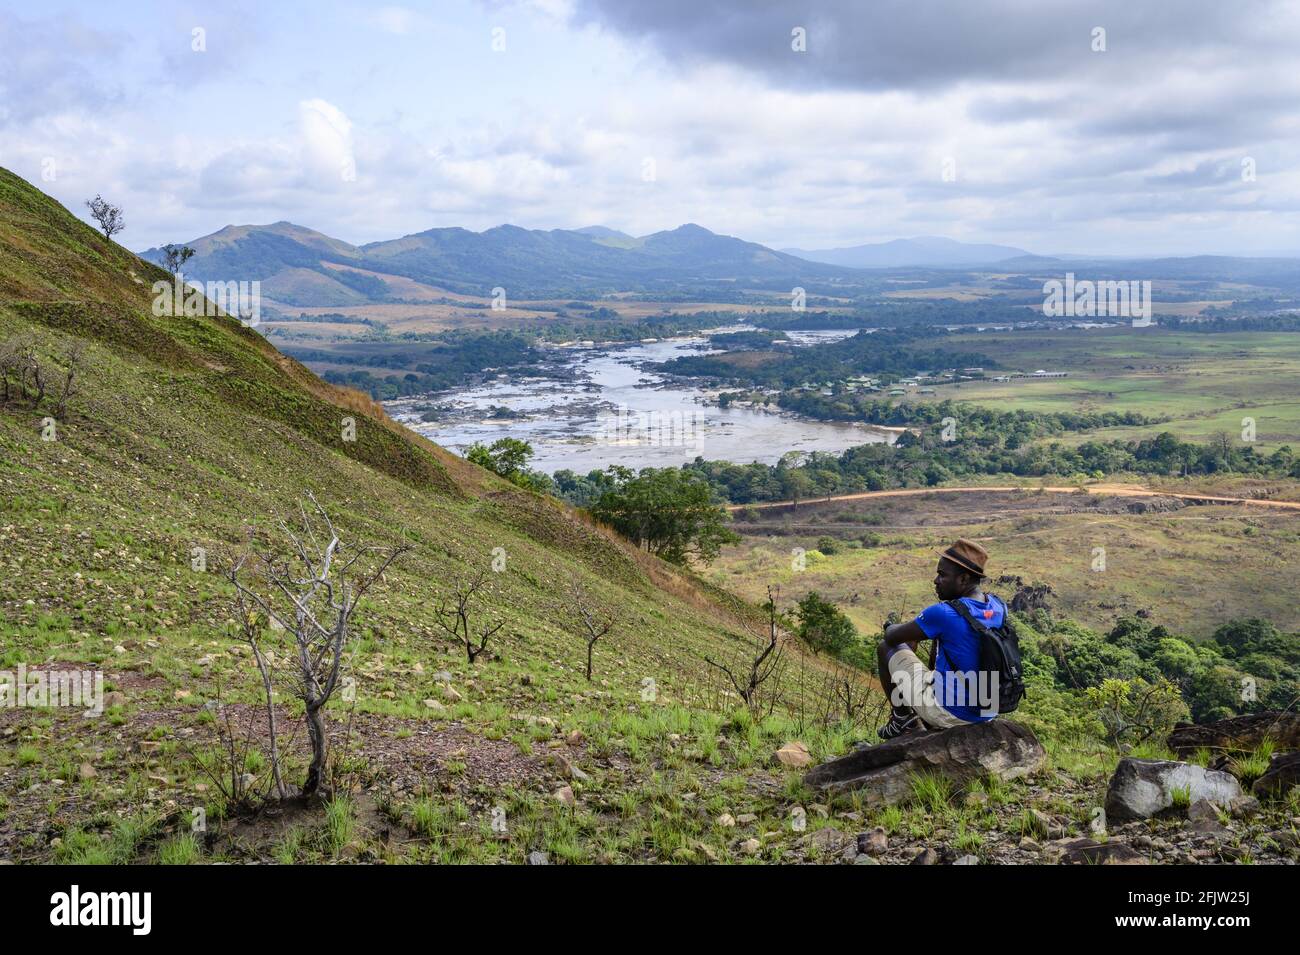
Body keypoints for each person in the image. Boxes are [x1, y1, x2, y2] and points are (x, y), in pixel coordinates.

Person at [875, 539, 1007, 740]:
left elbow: (892, 636)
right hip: (987, 710)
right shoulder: (998, 607)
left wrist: (892, 626)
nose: (936, 580)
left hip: (951, 714)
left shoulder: (944, 614)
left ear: (963, 579)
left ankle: (902, 720)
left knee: (885, 647)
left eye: (942, 575)